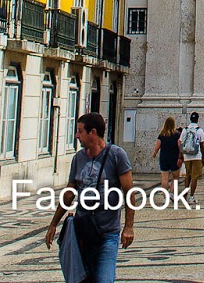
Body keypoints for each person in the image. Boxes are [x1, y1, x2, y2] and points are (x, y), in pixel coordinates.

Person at [47, 112, 135, 283]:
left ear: (93, 132)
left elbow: (129, 192)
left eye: (80, 131)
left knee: (104, 279)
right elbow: (69, 193)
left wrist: (129, 227)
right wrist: (53, 224)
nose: (77, 135)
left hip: (107, 234)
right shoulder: (78, 158)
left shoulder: (117, 155)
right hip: (82, 231)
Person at [180, 112, 204, 197]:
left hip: (187, 156)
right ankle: (191, 196)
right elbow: (202, 145)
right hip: (197, 156)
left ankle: (185, 194)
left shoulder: (185, 129)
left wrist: (181, 156)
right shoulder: (199, 130)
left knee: (187, 176)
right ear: (197, 119)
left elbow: (181, 143)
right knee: (194, 177)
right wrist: (203, 158)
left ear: (190, 119)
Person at [152, 117, 182, 193]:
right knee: (175, 178)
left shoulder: (162, 135)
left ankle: (165, 197)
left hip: (164, 158)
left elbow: (157, 147)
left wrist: (154, 154)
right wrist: (181, 156)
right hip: (174, 158)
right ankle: (172, 193)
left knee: (164, 178)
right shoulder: (177, 134)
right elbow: (180, 146)